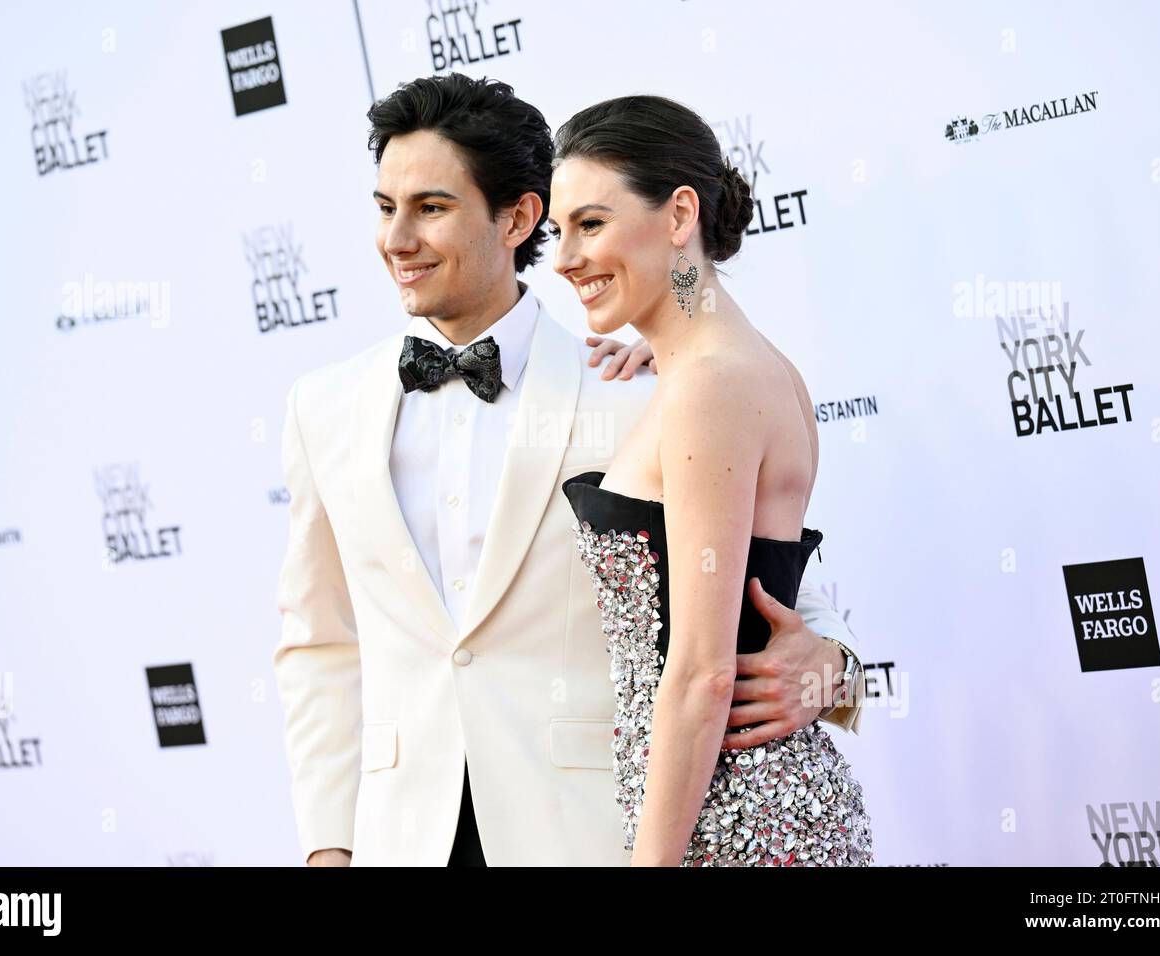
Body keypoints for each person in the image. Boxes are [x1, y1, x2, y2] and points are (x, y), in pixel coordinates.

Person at [273, 73, 865, 867]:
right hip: (396, 840)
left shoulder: (641, 389)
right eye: (385, 209)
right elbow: (318, 645)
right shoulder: (324, 408)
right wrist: (328, 846)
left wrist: (835, 672)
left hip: (591, 836)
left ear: (516, 219)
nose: (397, 240)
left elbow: (778, 600)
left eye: (432, 208)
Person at [554, 94, 873, 866]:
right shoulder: (735, 369)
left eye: (590, 224)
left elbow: (700, 674)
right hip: (750, 805)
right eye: (558, 231)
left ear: (678, 215)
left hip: (733, 821)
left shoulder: (710, 386)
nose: (564, 258)